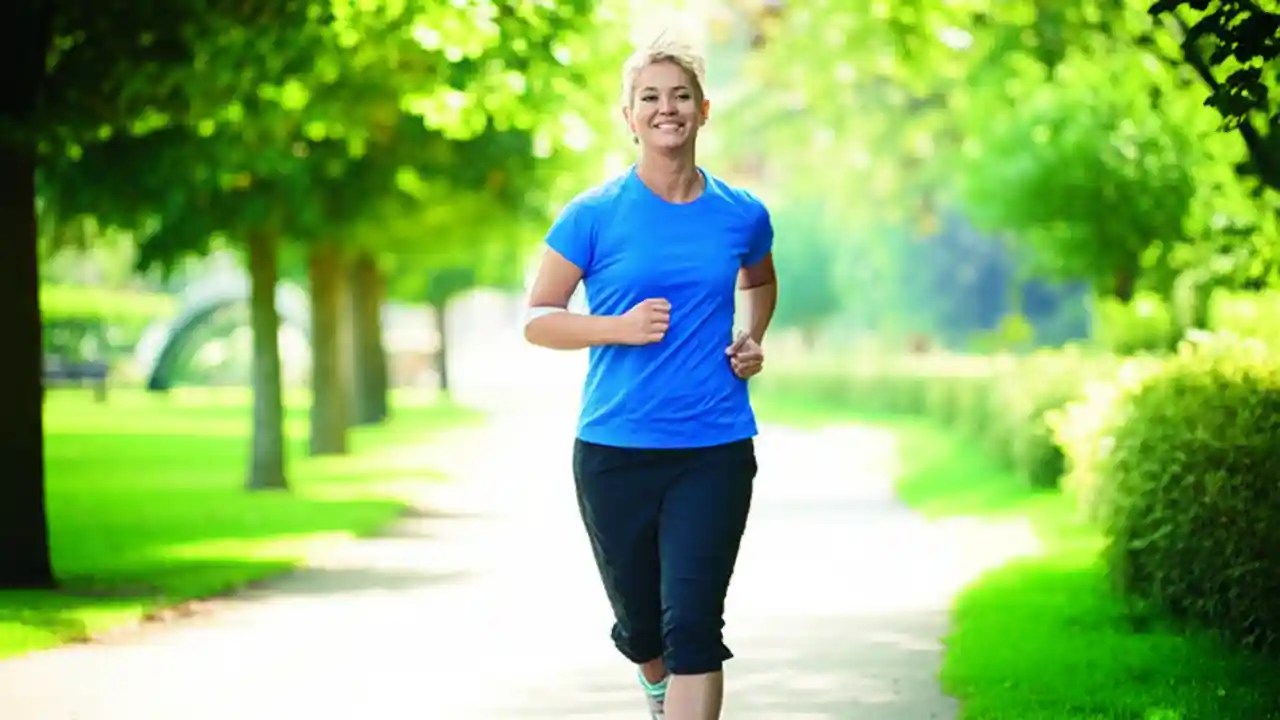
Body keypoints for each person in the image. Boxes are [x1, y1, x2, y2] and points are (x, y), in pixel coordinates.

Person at [522, 32, 778, 720]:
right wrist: (616, 327)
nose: (667, 109)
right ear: (629, 116)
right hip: (615, 450)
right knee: (644, 632)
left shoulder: (741, 213)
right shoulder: (593, 214)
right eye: (650, 97)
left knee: (695, 627)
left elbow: (760, 280)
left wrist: (751, 337)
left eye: (681, 95)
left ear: (703, 109)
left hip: (714, 448)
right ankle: (657, 689)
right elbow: (538, 318)